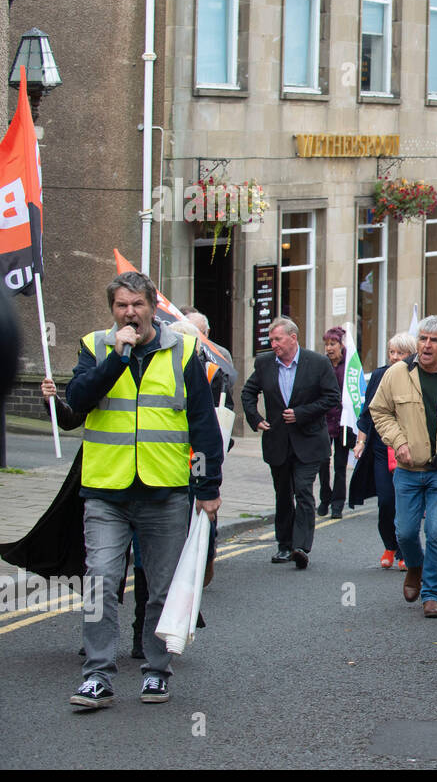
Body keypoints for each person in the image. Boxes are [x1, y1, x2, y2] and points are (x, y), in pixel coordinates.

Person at [65, 270, 223, 709]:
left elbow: (203, 424)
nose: (129, 313)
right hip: (105, 490)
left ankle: (156, 671)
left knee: (161, 587)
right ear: (112, 310)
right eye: (121, 306)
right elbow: (76, 400)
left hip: (165, 490)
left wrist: (208, 486)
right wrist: (116, 358)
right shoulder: (96, 346)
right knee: (100, 584)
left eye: (137, 304)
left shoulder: (184, 348)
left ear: (153, 306)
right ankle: (96, 675)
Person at [369, 317, 437, 618]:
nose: (427, 345)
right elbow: (379, 411)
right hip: (408, 468)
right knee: (406, 532)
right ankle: (416, 568)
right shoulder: (397, 373)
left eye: (434, 340)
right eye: (422, 339)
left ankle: (431, 594)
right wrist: (398, 441)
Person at [241, 316, 340, 569]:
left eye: (278, 339)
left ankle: (301, 547)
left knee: (304, 491)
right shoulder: (265, 363)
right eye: (271, 339)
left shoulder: (317, 363)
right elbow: (248, 391)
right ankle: (284, 545)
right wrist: (255, 419)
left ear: (293, 338)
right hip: (278, 442)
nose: (273, 344)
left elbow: (331, 398)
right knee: (283, 494)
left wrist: (301, 413)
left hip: (309, 441)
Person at [349, 332, 418, 569]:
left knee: (403, 501)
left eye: (401, 353)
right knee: (386, 501)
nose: (395, 357)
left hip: (408, 447)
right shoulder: (379, 375)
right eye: (392, 352)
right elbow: (367, 414)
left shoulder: (416, 376)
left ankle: (402, 550)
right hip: (381, 447)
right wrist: (360, 442)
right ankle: (389, 544)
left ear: (411, 355)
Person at [316, 327, 356, 519]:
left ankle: (338, 504)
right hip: (324, 421)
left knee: (340, 465)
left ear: (341, 345)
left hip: (343, 423)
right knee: (323, 463)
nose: (329, 348)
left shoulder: (350, 365)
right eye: (327, 344)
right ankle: (325, 498)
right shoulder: (322, 364)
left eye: (333, 344)